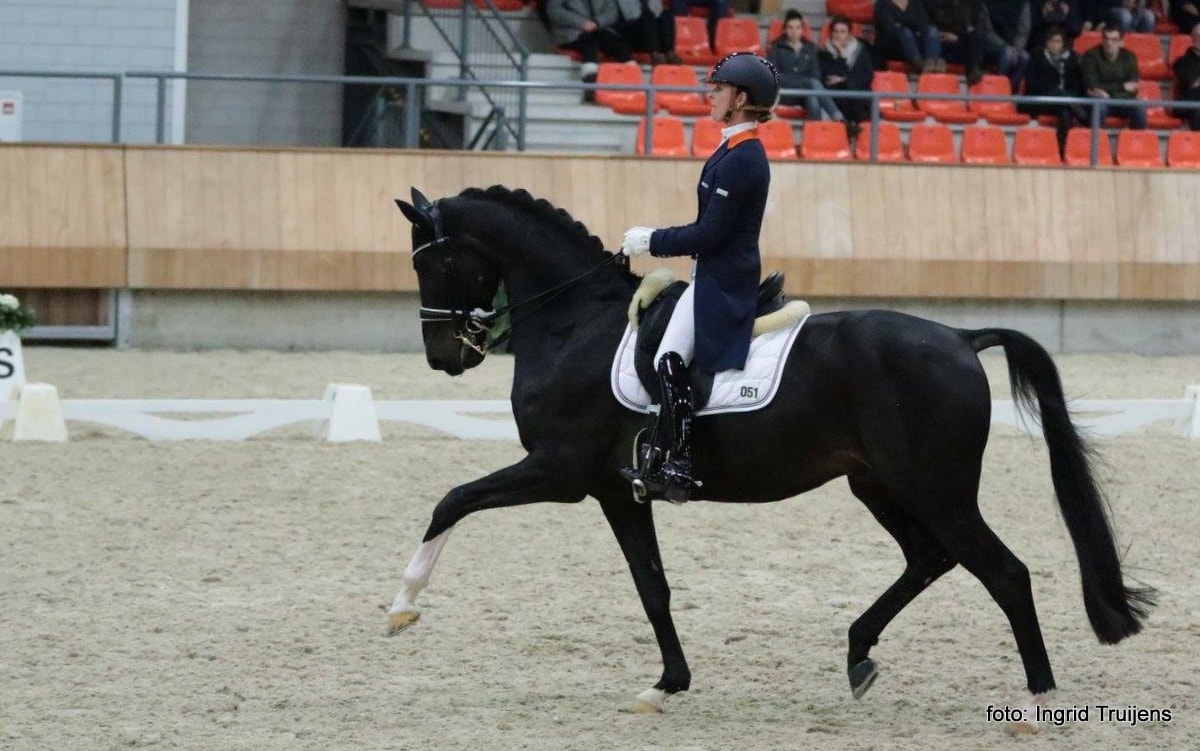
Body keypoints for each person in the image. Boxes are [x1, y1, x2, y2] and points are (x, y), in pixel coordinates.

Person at [618, 52, 778, 503]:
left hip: (724, 283)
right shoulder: (730, 149)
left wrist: (652, 240)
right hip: (710, 274)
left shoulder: (744, 158)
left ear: (740, 99)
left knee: (669, 359)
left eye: (719, 88)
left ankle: (682, 463)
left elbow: (709, 234)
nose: (711, 95)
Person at [545, 0, 639, 98]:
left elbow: (612, 12)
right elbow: (554, 11)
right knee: (590, 41)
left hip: (599, 29)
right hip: (572, 32)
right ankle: (590, 79)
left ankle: (633, 72)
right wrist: (581, 23)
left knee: (616, 42)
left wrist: (597, 22)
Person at [767, 10, 844, 121]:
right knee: (812, 84)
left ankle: (815, 131)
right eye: (790, 27)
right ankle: (838, 118)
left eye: (797, 27)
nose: (794, 31)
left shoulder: (810, 48)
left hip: (804, 92)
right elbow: (773, 75)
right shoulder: (777, 47)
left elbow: (816, 75)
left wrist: (800, 81)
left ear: (802, 30)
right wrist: (800, 80)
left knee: (813, 99)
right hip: (784, 93)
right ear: (785, 30)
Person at [1022, 25, 1088, 153]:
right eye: (1051, 41)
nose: (1054, 44)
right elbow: (1032, 84)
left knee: (1065, 112)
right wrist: (1053, 91)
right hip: (1039, 100)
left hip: (1062, 103)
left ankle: (1062, 151)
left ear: (1063, 44)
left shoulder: (1072, 59)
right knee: (1059, 93)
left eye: (1058, 41)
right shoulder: (1037, 56)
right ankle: (1082, 115)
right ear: (1046, 42)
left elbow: (1077, 85)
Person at [818, 16, 875, 135]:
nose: (838, 35)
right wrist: (841, 54)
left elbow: (867, 76)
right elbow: (829, 79)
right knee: (840, 97)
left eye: (843, 32)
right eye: (835, 31)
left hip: (857, 95)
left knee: (858, 98)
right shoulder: (823, 53)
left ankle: (857, 133)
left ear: (849, 35)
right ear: (831, 33)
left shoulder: (860, 51)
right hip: (836, 96)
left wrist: (844, 80)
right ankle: (849, 130)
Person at [1080, 26, 1147, 128]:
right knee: (1100, 106)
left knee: (1139, 106)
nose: (1109, 43)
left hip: (1121, 101)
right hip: (1099, 102)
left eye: (1114, 40)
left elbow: (1133, 89)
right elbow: (1093, 87)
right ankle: (1098, 138)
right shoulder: (1091, 56)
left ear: (1121, 42)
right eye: (1106, 38)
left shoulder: (1129, 57)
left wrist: (1109, 94)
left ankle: (1137, 139)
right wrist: (1122, 87)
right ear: (1102, 40)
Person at [873, 0, 945, 72]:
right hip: (894, 45)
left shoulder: (916, 2)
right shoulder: (882, 4)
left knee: (932, 30)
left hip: (916, 40)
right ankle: (919, 65)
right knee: (905, 32)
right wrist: (906, 27)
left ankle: (932, 63)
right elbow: (889, 29)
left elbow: (922, 24)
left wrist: (903, 24)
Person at [616, 0, 682, 64]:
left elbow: (657, 14)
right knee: (647, 15)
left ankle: (670, 52)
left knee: (666, 14)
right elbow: (631, 16)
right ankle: (655, 54)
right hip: (627, 29)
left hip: (648, 30)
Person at [1173, 23, 1200, 130]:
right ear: (1194, 39)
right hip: (1189, 104)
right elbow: (1189, 80)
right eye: (1198, 36)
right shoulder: (1182, 62)